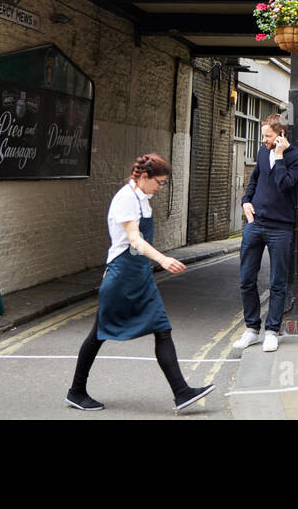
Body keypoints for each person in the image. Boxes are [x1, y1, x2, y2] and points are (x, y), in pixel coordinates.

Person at [66, 153, 214, 412]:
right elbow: (134, 239)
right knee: (98, 334)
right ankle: (76, 391)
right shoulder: (126, 199)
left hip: (139, 275)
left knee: (162, 328)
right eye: (159, 182)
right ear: (144, 177)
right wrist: (163, 259)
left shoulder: (143, 199)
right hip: (122, 276)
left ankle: (181, 392)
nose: (160, 187)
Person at [234, 114, 298, 353]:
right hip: (255, 224)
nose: (264, 140)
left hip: (280, 227)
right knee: (246, 279)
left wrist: (279, 157)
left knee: (278, 282)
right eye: (263, 135)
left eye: (268, 136)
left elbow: (285, 185)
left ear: (281, 135)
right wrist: (246, 201)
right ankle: (252, 329)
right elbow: (255, 180)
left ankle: (272, 331)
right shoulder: (262, 152)